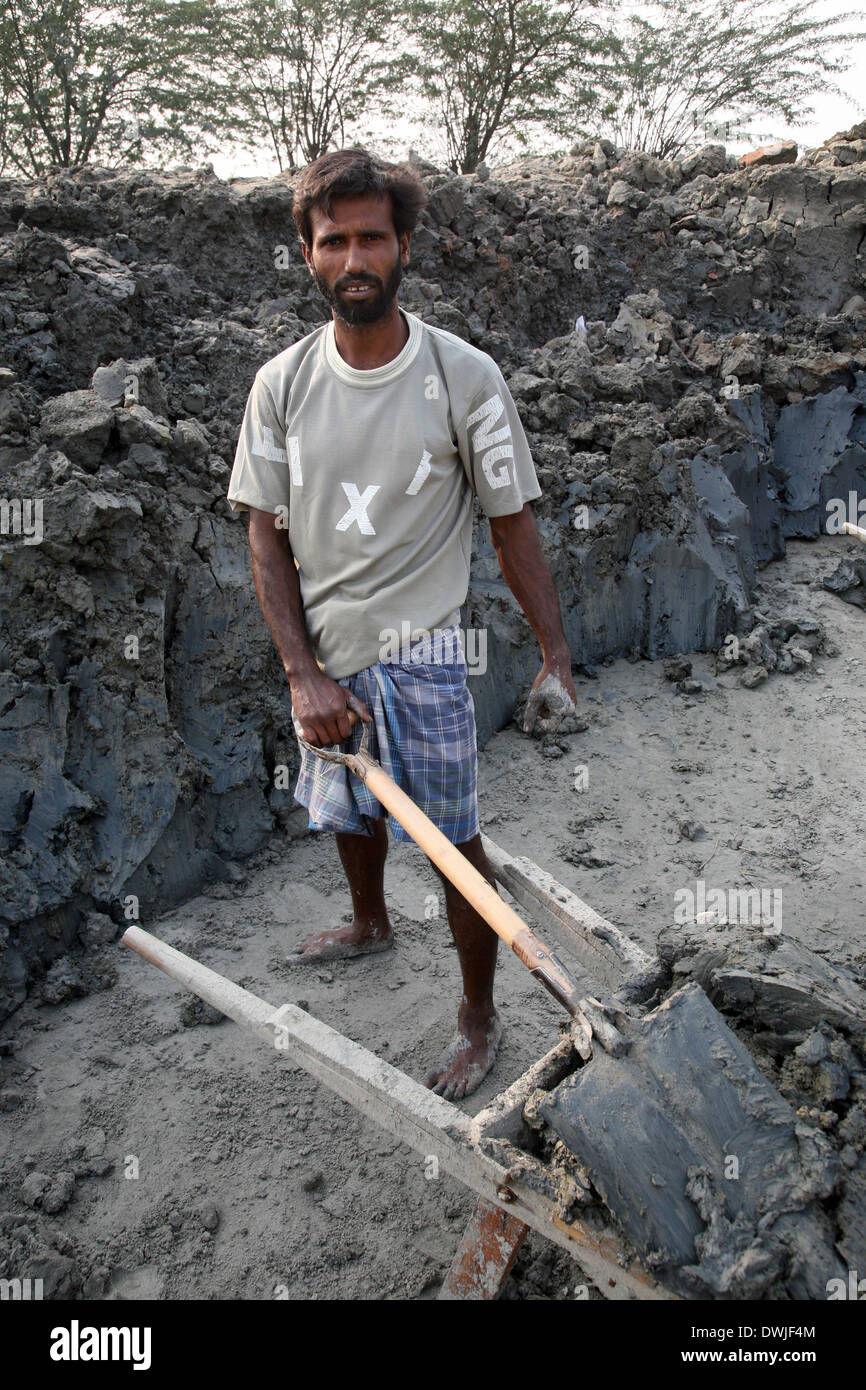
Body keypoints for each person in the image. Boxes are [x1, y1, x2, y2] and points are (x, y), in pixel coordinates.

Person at [227, 148, 578, 1100]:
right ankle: (370, 922)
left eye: (371, 237)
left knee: (454, 841)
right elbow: (265, 536)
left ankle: (477, 1015)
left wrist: (554, 652)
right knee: (348, 803)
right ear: (307, 253)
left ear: (403, 246)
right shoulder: (282, 385)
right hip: (322, 652)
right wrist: (302, 672)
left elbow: (511, 523)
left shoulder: (463, 377)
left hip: (423, 658)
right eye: (332, 239)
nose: (354, 259)